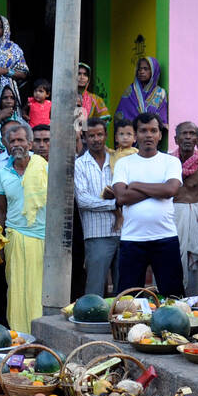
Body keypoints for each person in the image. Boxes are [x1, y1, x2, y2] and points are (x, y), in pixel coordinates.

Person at [112, 112, 184, 296]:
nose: (148, 135)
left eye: (153, 130)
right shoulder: (124, 163)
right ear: (136, 135)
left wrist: (135, 186)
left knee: (173, 295)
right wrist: (157, 190)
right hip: (132, 239)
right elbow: (121, 197)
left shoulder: (171, 161)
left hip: (165, 237)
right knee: (128, 297)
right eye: (143, 131)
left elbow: (171, 190)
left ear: (160, 134)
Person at [0, 121, 46, 333]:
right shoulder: (4, 173)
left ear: (30, 143)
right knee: (15, 289)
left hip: (41, 237)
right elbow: (1, 209)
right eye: (12, 140)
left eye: (21, 140)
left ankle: (40, 335)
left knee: (38, 290)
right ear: (6, 144)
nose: (16, 144)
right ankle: (19, 336)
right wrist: (0, 237)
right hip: (14, 237)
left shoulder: (44, 168)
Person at [74, 121, 118, 298]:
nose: (96, 139)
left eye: (100, 134)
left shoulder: (117, 159)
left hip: (125, 231)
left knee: (123, 288)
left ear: (106, 135)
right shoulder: (80, 164)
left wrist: (119, 200)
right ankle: (92, 323)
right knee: (95, 288)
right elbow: (83, 200)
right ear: (84, 138)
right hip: (96, 233)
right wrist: (114, 204)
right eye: (91, 135)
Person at [173, 123, 198, 296]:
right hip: (172, 218)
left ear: (197, 139)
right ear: (176, 139)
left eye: (192, 134)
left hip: (196, 220)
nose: (188, 137)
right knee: (170, 260)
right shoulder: (169, 162)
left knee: (194, 263)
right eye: (184, 134)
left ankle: (192, 304)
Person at [115, 56, 169, 126]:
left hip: (152, 134)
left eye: (146, 69)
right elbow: (119, 117)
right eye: (139, 69)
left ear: (154, 71)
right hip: (132, 134)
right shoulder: (130, 91)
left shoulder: (160, 93)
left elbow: (162, 121)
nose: (142, 72)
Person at [76, 62, 110, 129]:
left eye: (85, 75)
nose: (82, 77)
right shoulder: (66, 98)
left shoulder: (96, 99)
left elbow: (104, 120)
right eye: (79, 74)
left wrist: (86, 127)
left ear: (88, 79)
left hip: (88, 137)